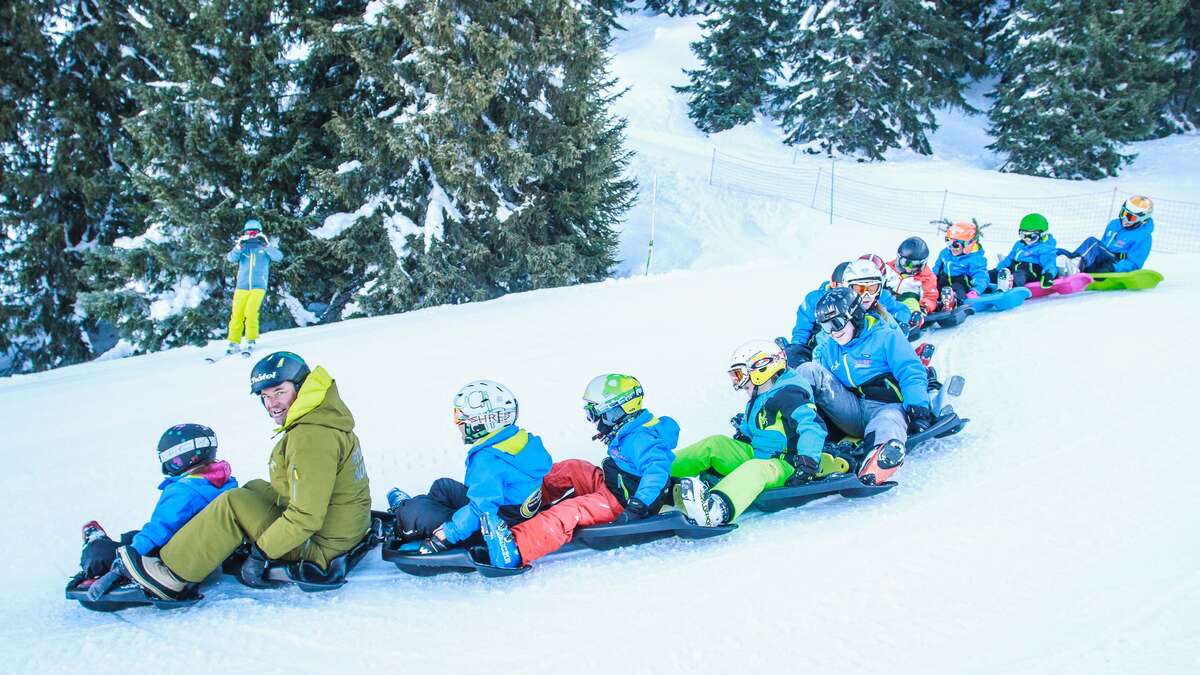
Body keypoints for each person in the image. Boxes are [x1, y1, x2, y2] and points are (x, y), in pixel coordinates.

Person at [116, 352, 372, 600]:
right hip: (344, 528)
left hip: (324, 547)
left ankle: (171, 574)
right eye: (265, 396)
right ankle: (203, 538)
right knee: (253, 488)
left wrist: (260, 554)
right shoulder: (321, 419)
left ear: (301, 386)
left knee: (233, 503)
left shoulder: (310, 437)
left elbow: (306, 516)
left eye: (280, 392)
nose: (272, 404)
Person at [389, 380, 552, 569]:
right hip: (512, 512)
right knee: (443, 486)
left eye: (461, 417)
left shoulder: (488, 461)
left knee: (415, 511)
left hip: (491, 528)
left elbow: (481, 510)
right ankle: (431, 516)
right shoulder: (519, 439)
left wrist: (449, 533)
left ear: (483, 420)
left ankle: (404, 518)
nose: (457, 422)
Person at [672, 340, 828, 527]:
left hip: (786, 464)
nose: (738, 383)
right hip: (759, 454)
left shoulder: (790, 393)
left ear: (762, 368)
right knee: (715, 444)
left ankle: (715, 509)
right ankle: (653, 474)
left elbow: (812, 426)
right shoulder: (760, 395)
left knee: (755, 469)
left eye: (739, 374)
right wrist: (741, 439)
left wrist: (808, 462)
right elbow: (751, 429)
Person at [795, 287, 935, 485]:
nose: (833, 332)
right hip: (851, 410)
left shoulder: (885, 337)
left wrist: (918, 407)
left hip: (886, 406)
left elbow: (910, 370)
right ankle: (793, 435)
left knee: (889, 421)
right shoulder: (830, 349)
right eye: (826, 327)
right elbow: (823, 386)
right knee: (808, 370)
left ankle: (877, 459)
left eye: (837, 323)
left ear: (855, 315)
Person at [73, 424, 238, 588]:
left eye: (173, 458)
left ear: (189, 456)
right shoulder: (224, 482)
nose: (167, 464)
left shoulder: (184, 490)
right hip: (201, 546)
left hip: (170, 555)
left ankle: (95, 544)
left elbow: (159, 530)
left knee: (102, 553)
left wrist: (123, 563)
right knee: (131, 536)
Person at [585, 373, 679, 522]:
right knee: (575, 469)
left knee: (572, 509)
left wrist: (638, 506)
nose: (591, 420)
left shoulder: (637, 439)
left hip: (626, 501)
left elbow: (656, 469)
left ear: (615, 411)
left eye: (593, 413)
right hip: (615, 489)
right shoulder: (626, 433)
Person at [224, 218, 283, 357]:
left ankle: (250, 339)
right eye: (249, 233)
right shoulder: (243, 248)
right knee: (236, 314)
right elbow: (230, 258)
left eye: (254, 233)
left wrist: (266, 246)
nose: (251, 236)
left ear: (259, 233)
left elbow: (278, 257)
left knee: (251, 312)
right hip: (241, 286)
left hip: (258, 285)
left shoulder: (263, 247)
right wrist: (239, 247)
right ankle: (234, 341)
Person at [1058, 196, 1155, 275]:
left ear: (1142, 219)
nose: (1125, 219)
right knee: (1059, 252)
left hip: (1115, 263)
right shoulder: (1114, 224)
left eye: (1131, 217)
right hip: (1103, 258)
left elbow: (1134, 263)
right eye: (1123, 213)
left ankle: (1073, 268)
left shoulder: (1144, 237)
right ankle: (1055, 266)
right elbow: (1102, 247)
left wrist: (1112, 268)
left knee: (1092, 242)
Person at [786, 262, 849, 367]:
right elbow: (802, 328)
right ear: (833, 284)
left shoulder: (855, 301)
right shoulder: (815, 299)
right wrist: (796, 348)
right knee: (793, 353)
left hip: (840, 349)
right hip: (814, 347)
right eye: (843, 286)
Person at [848, 256, 918, 335]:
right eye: (859, 289)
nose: (866, 295)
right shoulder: (846, 302)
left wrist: (900, 321)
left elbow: (901, 309)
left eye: (872, 287)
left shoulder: (883, 297)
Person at [991, 213, 1058, 290]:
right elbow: (1009, 259)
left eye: (1032, 236)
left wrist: (1048, 275)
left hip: (1032, 272)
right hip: (1015, 268)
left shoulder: (1045, 248)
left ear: (1042, 235)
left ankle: (1011, 288)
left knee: (1019, 274)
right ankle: (983, 285)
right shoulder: (1019, 245)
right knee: (994, 273)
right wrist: (998, 270)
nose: (1027, 239)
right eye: (1023, 235)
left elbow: (1050, 263)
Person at [931, 221, 990, 307]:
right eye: (948, 243)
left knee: (957, 289)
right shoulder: (945, 253)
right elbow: (936, 268)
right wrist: (931, 280)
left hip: (962, 287)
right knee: (933, 287)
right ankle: (929, 302)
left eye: (955, 245)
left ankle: (951, 303)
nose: (951, 248)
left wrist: (975, 290)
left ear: (968, 245)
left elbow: (980, 276)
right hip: (944, 283)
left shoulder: (975, 259)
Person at [887, 237, 939, 315]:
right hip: (888, 299)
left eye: (915, 265)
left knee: (911, 300)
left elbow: (930, 297)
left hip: (908, 303)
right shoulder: (889, 268)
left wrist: (925, 307)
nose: (908, 268)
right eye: (905, 263)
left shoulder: (927, 277)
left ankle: (908, 319)